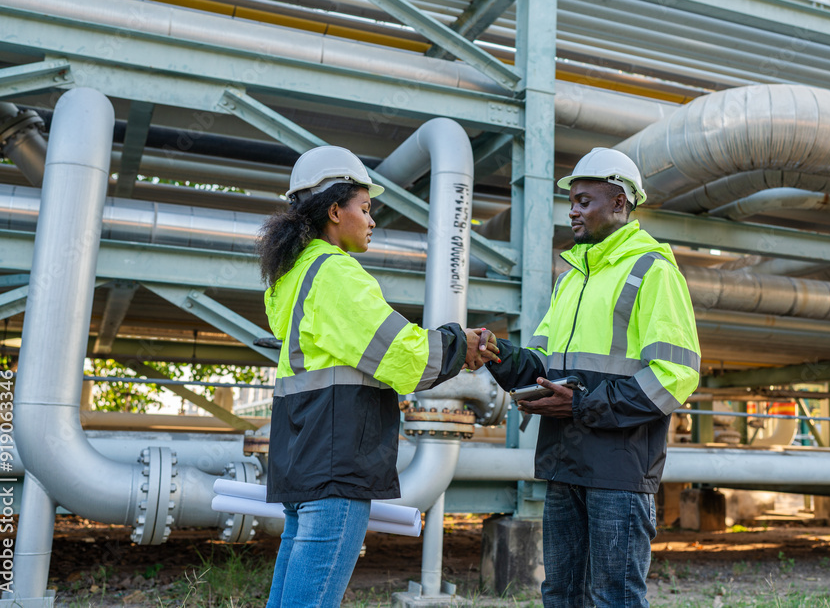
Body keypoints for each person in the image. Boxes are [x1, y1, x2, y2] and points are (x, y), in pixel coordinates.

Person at [257, 145, 498, 607]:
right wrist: (457, 342)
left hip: (301, 459)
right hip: (336, 463)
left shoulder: (289, 277)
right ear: (333, 211)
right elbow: (403, 357)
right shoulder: (334, 274)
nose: (371, 221)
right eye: (365, 209)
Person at [485, 148, 701, 607]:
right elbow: (544, 366)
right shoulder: (571, 280)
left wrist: (582, 405)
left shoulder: (653, 271)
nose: (573, 210)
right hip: (565, 463)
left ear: (619, 202)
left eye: (584, 200)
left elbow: (676, 374)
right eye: (573, 201)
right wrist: (498, 354)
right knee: (560, 593)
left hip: (619, 471)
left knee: (613, 596)